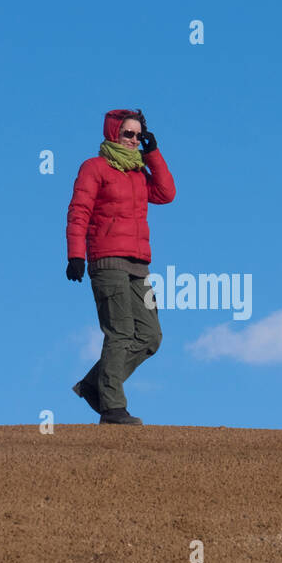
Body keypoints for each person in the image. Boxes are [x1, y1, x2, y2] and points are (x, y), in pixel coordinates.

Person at [66, 108, 176, 425]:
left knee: (150, 336)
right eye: (128, 134)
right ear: (114, 133)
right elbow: (79, 211)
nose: (133, 140)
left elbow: (167, 193)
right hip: (107, 261)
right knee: (121, 332)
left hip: (139, 264)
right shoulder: (94, 168)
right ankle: (112, 407)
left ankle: (92, 385)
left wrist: (153, 153)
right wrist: (76, 255)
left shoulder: (140, 174)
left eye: (139, 135)